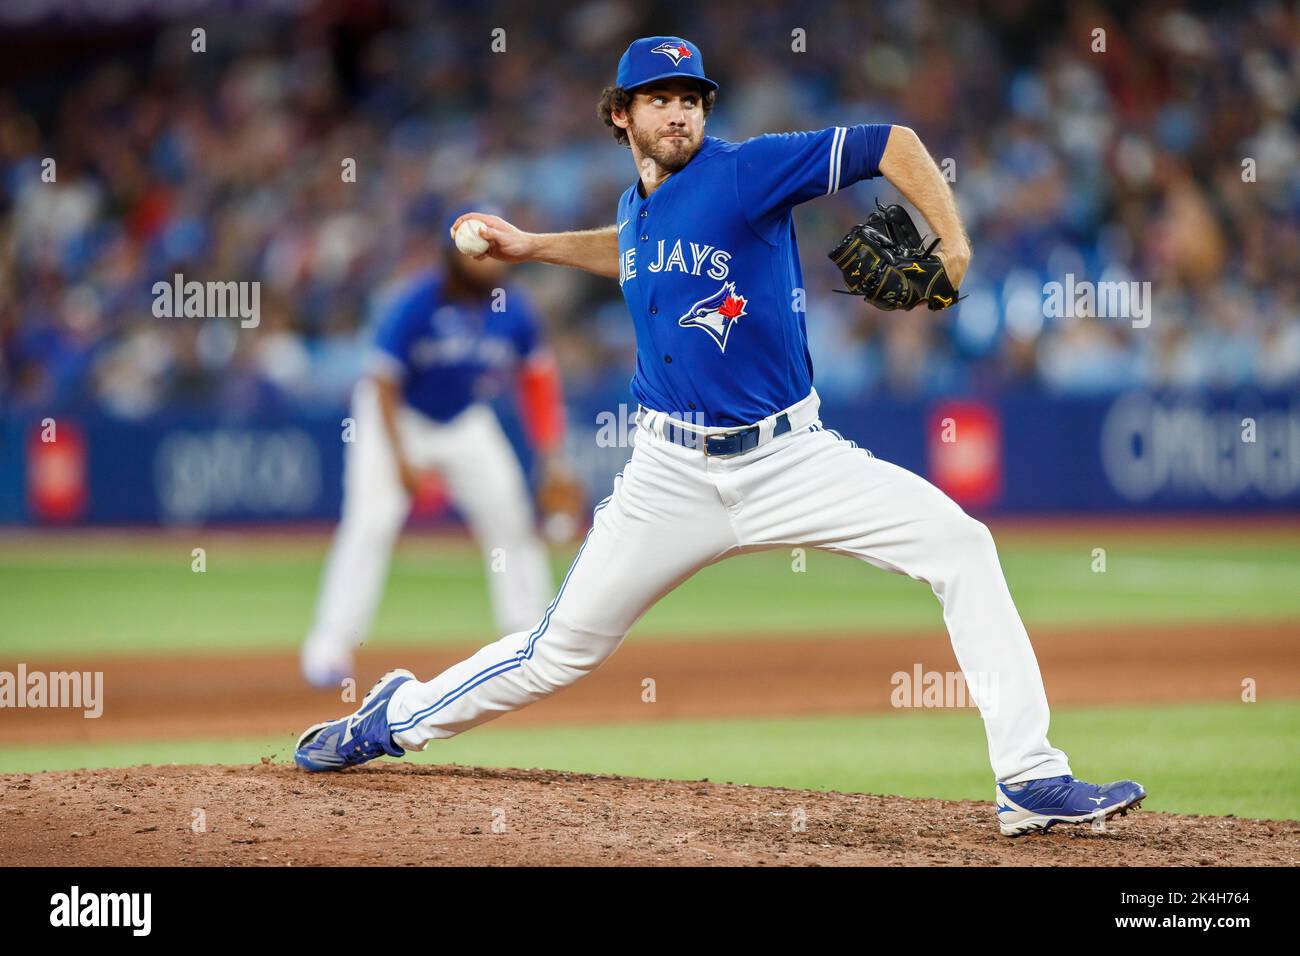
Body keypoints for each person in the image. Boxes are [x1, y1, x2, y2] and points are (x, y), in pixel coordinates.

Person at [294, 38, 1144, 837]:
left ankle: (1028, 778)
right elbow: (632, 250)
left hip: (792, 457)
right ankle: (395, 717)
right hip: (668, 476)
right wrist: (534, 247)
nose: (678, 113)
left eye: (690, 99)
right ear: (620, 115)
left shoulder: (745, 173)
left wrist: (951, 247)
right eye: (659, 99)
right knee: (557, 651)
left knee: (961, 545)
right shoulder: (639, 206)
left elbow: (894, 141)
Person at [299, 203, 572, 689]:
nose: (488, 261)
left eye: (494, 252)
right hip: (396, 417)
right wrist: (401, 459)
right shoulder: (416, 302)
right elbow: (382, 381)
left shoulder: (513, 309)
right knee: (370, 525)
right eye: (478, 251)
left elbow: (537, 381)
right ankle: (330, 647)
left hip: (464, 420)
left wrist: (553, 459)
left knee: (509, 518)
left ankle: (530, 635)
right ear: (454, 254)